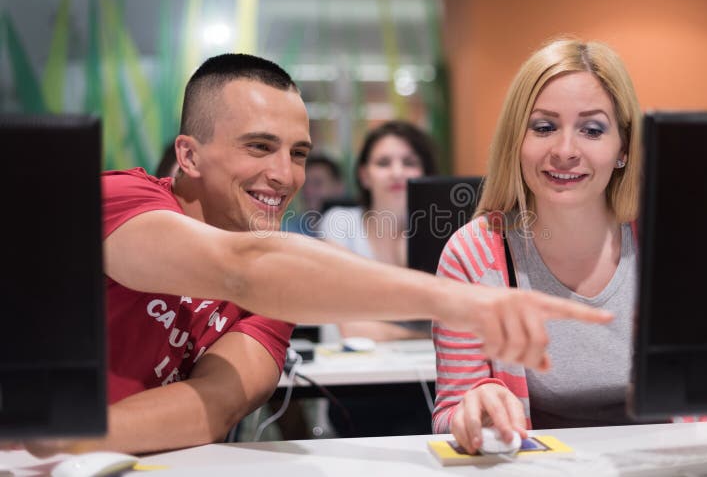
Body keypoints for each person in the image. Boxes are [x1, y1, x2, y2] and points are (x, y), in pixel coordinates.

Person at [22, 53, 611, 457]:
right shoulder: (119, 198)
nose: (285, 175)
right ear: (189, 155)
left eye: (298, 153)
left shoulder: (276, 295)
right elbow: (238, 266)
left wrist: (66, 438)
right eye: (259, 147)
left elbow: (215, 405)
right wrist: (456, 300)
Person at [432, 37, 644, 453]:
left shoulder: (669, 245)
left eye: (592, 130)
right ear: (517, 140)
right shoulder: (473, 255)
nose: (564, 151)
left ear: (623, 146)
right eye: (544, 127)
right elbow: (449, 414)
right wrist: (474, 409)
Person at [320, 121, 436, 341]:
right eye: (383, 163)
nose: (397, 173)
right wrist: (421, 336)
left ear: (425, 172)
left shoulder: (440, 230)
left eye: (409, 162)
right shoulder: (340, 223)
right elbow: (349, 328)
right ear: (364, 175)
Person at [283, 154, 346, 236]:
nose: (308, 190)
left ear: (338, 188)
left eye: (317, 183)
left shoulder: (355, 230)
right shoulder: (287, 232)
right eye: (304, 184)